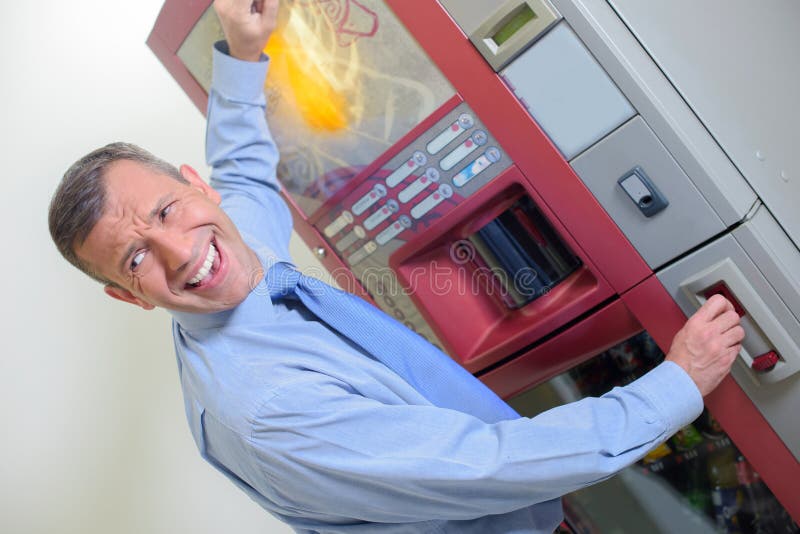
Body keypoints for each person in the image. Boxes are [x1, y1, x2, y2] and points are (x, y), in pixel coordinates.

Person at [48, 0, 745, 532]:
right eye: (137, 259)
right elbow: (491, 464)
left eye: (167, 210)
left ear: (197, 189)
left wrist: (240, 51)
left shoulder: (225, 249)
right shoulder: (270, 411)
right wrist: (676, 386)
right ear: (127, 297)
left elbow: (245, 172)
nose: (180, 254)